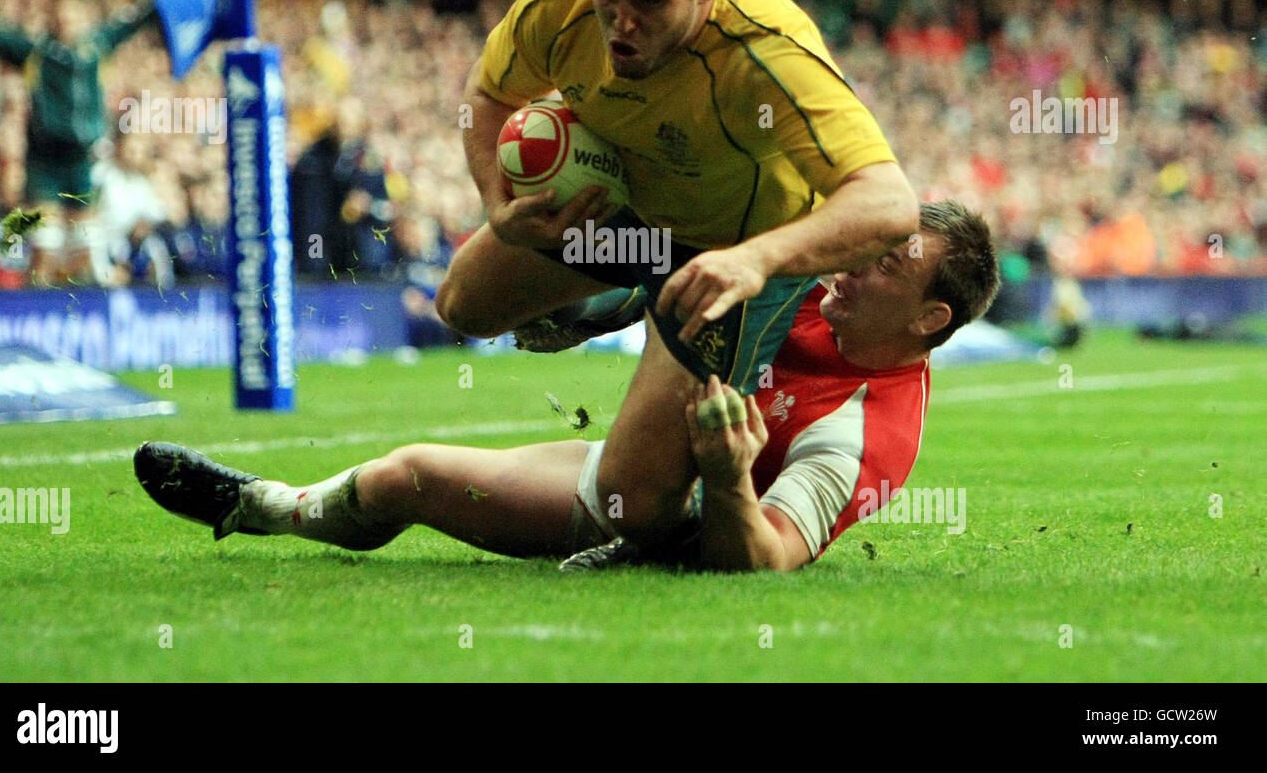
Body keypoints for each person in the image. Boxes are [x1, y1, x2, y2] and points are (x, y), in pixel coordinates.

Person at [433, 0, 918, 550]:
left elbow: (892, 205)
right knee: (462, 306)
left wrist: (756, 261)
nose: (621, 21)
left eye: (652, 2)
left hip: (736, 253)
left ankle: (675, 428)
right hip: (630, 218)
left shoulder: (768, 50)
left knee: (633, 504)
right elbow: (487, 98)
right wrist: (497, 204)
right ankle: (634, 294)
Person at [134, 201, 998, 573]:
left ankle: (651, 539)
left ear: (930, 320)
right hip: (637, 462)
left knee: (719, 280)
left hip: (694, 499)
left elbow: (766, 561)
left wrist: (730, 476)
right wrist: (595, 309)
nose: (854, 265)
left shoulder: (872, 433)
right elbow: (693, 282)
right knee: (408, 478)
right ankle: (256, 504)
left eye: (888, 264)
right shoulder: (810, 276)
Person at [0, 0, 157, 283]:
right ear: (53, 20)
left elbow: (133, 22)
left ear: (83, 19)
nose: (67, 22)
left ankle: (79, 302)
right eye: (61, 16)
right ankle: (41, 297)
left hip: (81, 157)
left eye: (72, 16)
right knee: (46, 240)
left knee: (85, 240)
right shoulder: (38, 53)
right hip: (46, 158)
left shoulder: (97, 47)